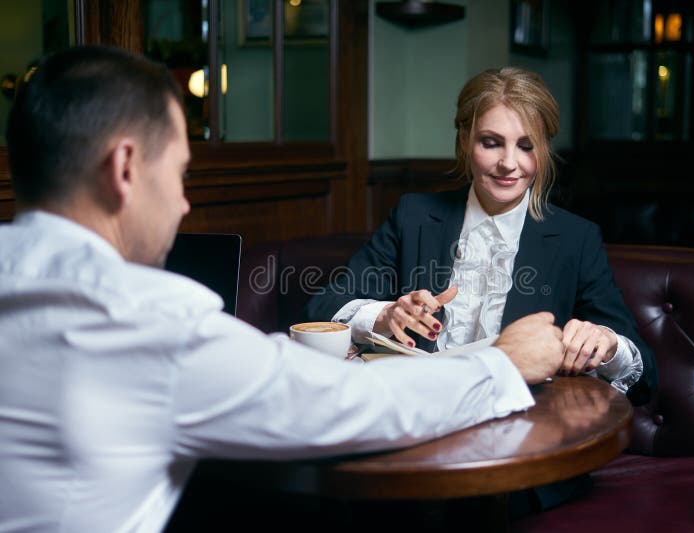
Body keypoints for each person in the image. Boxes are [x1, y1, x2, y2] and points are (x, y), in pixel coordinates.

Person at [0, 47, 567, 532]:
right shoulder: (149, 323)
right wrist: (504, 363)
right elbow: (360, 404)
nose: (183, 203)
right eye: (179, 174)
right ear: (125, 167)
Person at [306, 66, 657, 406]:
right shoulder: (412, 216)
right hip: (416, 411)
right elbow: (322, 308)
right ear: (464, 140)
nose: (508, 163)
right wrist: (385, 315)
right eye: (491, 143)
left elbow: (645, 379)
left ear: (545, 149)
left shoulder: (576, 238)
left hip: (519, 425)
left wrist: (608, 343)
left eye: (526, 145)